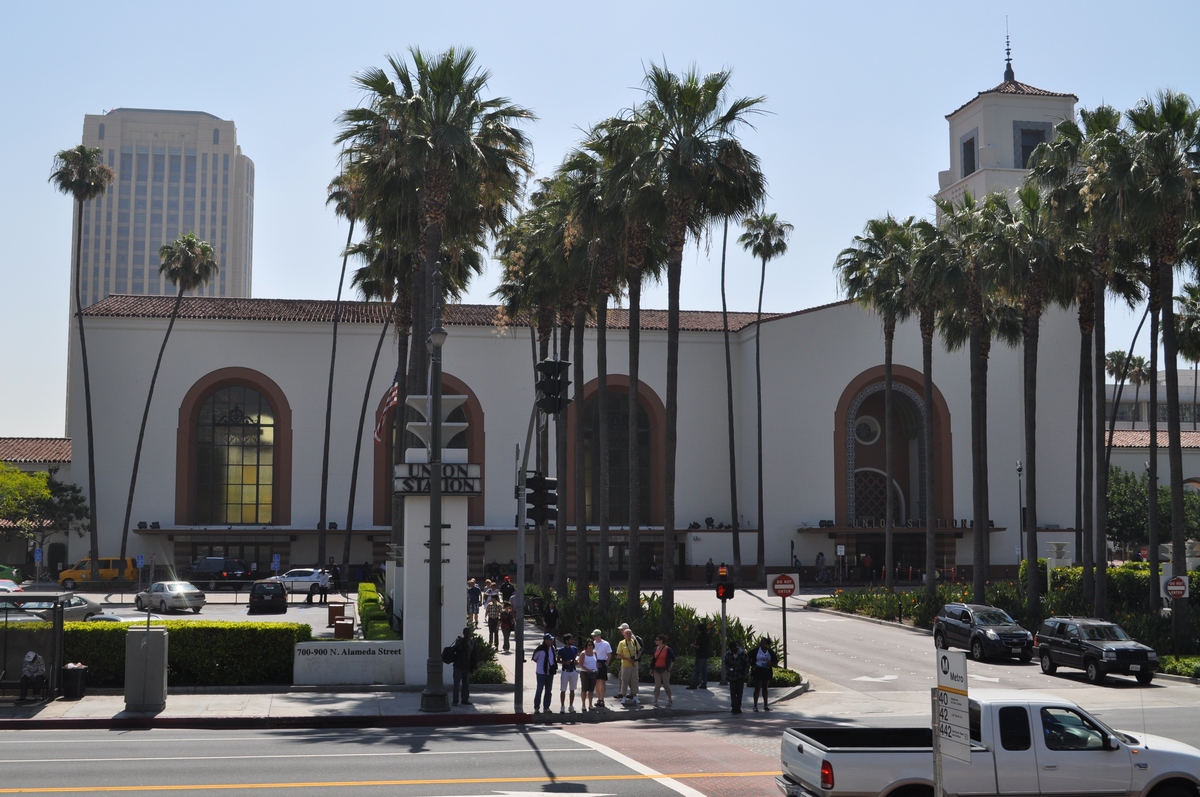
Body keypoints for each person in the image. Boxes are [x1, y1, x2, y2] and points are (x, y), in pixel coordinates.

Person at [615, 624, 642, 707]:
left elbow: (639, 650)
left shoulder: (634, 640)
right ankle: (623, 696)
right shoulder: (622, 643)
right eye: (627, 634)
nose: (628, 635)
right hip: (626, 665)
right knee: (624, 680)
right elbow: (618, 655)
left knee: (634, 680)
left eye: (629, 633)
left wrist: (637, 658)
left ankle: (634, 695)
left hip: (634, 665)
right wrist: (628, 659)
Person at [751, 637, 779, 711]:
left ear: (766, 643)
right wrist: (753, 665)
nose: (761, 643)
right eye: (761, 642)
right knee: (757, 688)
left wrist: (771, 663)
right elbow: (748, 656)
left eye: (763, 642)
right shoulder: (756, 650)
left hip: (766, 670)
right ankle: (755, 706)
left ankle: (766, 705)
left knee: (765, 688)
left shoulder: (769, 651)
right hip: (758, 670)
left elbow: (775, 660)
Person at [451, 627, 477, 706]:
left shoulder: (472, 642)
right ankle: (455, 701)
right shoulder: (459, 641)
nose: (467, 634)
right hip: (458, 665)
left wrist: (474, 665)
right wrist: (462, 641)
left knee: (466, 684)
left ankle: (465, 700)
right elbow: (457, 648)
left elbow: (473, 654)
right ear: (463, 633)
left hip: (466, 665)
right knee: (456, 684)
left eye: (468, 632)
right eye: (466, 632)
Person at [532, 633, 557, 713]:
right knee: (539, 690)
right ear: (546, 641)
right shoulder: (540, 649)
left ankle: (546, 707)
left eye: (552, 640)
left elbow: (553, 659)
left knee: (548, 690)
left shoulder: (552, 648)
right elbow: (535, 659)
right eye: (550, 640)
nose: (551, 641)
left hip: (550, 673)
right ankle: (536, 707)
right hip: (541, 673)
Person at [649, 634, 675, 708]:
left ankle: (670, 700)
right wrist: (651, 669)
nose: (656, 641)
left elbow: (673, 659)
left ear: (661, 641)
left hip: (664, 670)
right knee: (657, 686)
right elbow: (653, 660)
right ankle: (655, 701)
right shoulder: (655, 649)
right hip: (657, 669)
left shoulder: (668, 649)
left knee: (666, 686)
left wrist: (670, 666)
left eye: (657, 640)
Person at [724, 639, 749, 714]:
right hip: (732, 676)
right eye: (731, 649)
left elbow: (747, 665)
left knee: (739, 692)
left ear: (736, 647)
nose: (732, 650)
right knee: (733, 692)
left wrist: (744, 674)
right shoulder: (728, 654)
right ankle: (734, 707)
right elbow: (726, 663)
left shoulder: (743, 654)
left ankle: (738, 707)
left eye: (733, 648)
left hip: (740, 676)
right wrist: (728, 669)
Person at [591, 628, 612, 708]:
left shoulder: (606, 644)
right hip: (595, 662)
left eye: (595, 636)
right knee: (596, 682)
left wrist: (606, 663)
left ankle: (602, 699)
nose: (594, 637)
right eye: (593, 636)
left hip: (602, 662)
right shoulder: (593, 643)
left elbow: (609, 654)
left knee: (602, 681)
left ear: (599, 635)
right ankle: (599, 699)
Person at [557, 633, 579, 713]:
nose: (572, 640)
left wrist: (577, 662)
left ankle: (571, 705)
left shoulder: (574, 649)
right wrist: (565, 662)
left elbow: (577, 658)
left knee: (572, 690)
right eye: (571, 639)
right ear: (566, 641)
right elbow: (558, 660)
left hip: (573, 671)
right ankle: (562, 706)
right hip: (565, 671)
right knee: (563, 690)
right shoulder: (561, 650)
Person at [577, 639, 599, 711]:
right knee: (584, 689)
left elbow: (596, 663)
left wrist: (596, 670)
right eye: (589, 645)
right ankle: (583, 704)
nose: (590, 646)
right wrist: (588, 670)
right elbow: (580, 664)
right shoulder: (583, 653)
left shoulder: (594, 653)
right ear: (586, 646)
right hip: (585, 673)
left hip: (593, 673)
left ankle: (590, 704)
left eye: (591, 645)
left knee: (591, 690)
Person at [688, 622, 711, 689]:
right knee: (704, 671)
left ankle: (694, 684)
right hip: (705, 655)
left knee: (697, 671)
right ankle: (704, 683)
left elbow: (697, 646)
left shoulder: (699, 637)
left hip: (700, 655)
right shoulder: (706, 636)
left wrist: (693, 645)